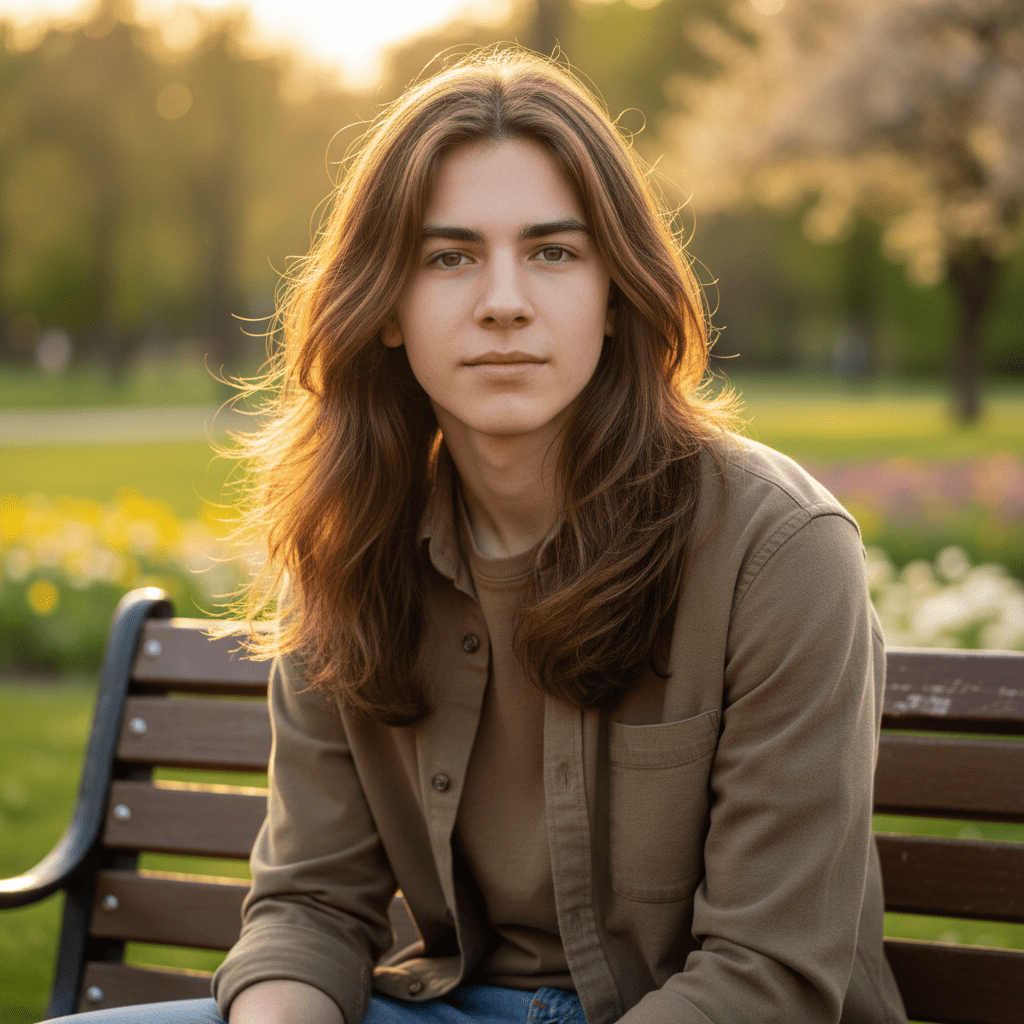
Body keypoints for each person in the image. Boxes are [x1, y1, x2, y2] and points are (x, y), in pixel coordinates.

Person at [47, 47, 907, 1024]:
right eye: (449, 256)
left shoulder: (778, 549)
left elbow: (767, 971)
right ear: (385, 311)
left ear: (616, 292)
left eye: (552, 251)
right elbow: (310, 903)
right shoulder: (351, 543)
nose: (503, 300)